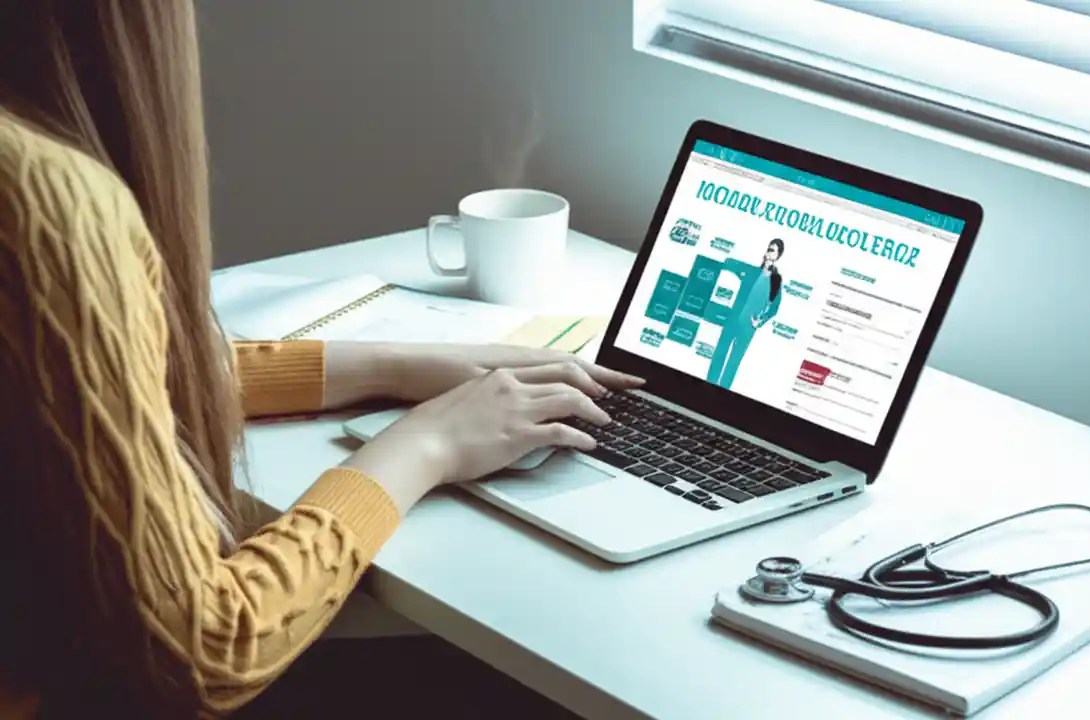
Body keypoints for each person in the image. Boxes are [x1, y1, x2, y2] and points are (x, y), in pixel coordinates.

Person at [0, 2, 642, 717]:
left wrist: (385, 366)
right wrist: (429, 443)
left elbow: (63, 378)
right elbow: (207, 647)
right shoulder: (42, 197)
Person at [706, 238, 784, 389]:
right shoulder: (752, 271)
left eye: (772, 250)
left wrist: (759, 321)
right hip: (733, 319)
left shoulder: (776, 281)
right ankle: (708, 385)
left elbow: (774, 308)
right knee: (720, 353)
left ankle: (722, 391)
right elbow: (731, 263)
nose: (769, 251)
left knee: (734, 361)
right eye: (768, 248)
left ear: (778, 255)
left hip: (748, 326)